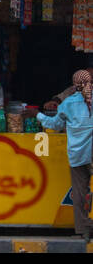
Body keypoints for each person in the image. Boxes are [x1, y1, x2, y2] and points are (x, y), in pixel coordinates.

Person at [38, 69, 93, 239]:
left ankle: (84, 231)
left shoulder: (68, 103)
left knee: (79, 193)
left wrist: (37, 115)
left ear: (74, 85)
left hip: (78, 156)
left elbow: (53, 124)